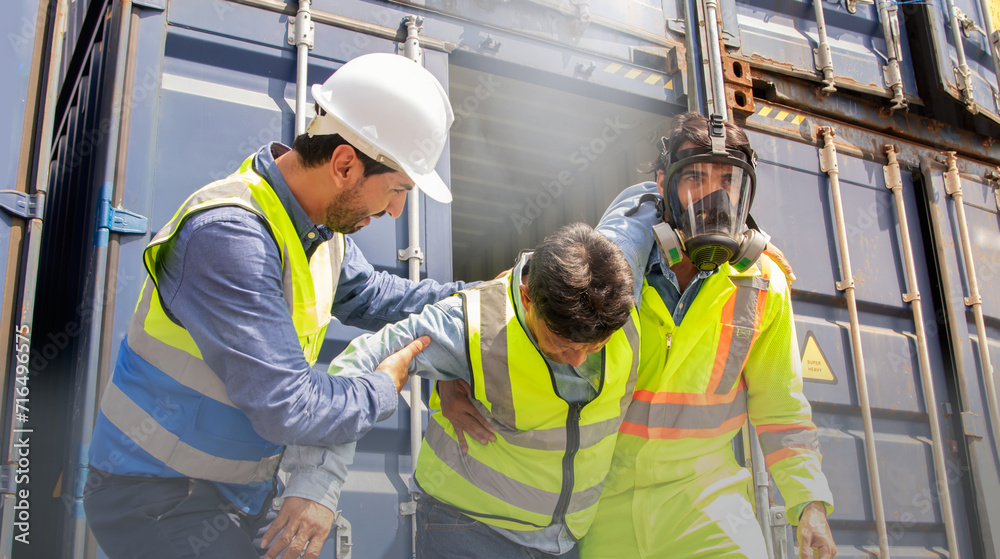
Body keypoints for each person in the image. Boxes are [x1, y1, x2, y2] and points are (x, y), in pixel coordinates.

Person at [83, 52, 465, 559]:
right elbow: (289, 407)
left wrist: (479, 295)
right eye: (396, 191)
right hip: (155, 495)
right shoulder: (229, 236)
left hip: (234, 491)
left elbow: (375, 296)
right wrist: (382, 386)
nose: (395, 210)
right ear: (345, 163)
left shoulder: (318, 230)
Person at [442, 112, 837, 558]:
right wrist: (450, 376)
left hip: (711, 508)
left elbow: (782, 408)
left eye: (728, 180)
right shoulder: (607, 273)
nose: (714, 197)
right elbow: (507, 309)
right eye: (696, 178)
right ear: (662, 185)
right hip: (603, 509)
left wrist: (810, 505)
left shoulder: (763, 283)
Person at [282, 223, 640, 558]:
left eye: (595, 346)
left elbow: (649, 204)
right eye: (562, 344)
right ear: (528, 298)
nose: (577, 359)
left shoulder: (625, 299)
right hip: (470, 531)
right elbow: (361, 362)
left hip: (565, 540)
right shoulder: (469, 321)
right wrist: (317, 484)